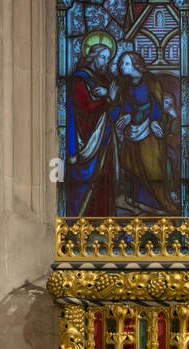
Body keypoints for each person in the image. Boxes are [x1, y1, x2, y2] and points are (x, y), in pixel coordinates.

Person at [113, 51, 176, 215]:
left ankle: (159, 204)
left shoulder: (151, 82)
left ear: (135, 64)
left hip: (149, 132)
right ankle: (137, 203)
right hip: (132, 131)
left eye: (125, 63)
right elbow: (126, 104)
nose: (122, 66)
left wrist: (155, 121)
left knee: (151, 167)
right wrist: (126, 116)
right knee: (132, 165)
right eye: (121, 64)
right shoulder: (126, 84)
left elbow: (157, 104)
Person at [64, 40, 117, 217]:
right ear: (93, 56)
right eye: (102, 57)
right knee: (89, 178)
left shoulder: (105, 80)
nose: (105, 62)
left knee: (105, 175)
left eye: (108, 59)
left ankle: (104, 221)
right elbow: (85, 108)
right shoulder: (80, 79)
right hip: (87, 139)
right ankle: (80, 223)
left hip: (104, 137)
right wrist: (108, 99)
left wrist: (112, 99)